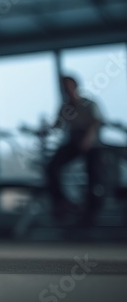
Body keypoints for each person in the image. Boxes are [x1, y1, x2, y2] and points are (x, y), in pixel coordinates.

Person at [45, 75, 106, 224]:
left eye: (68, 86)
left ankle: (91, 213)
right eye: (63, 87)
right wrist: (43, 130)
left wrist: (88, 139)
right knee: (52, 167)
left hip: (91, 145)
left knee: (94, 178)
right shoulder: (66, 107)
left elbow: (96, 123)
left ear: (75, 86)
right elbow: (57, 125)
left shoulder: (88, 104)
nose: (66, 90)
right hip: (73, 143)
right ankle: (63, 203)